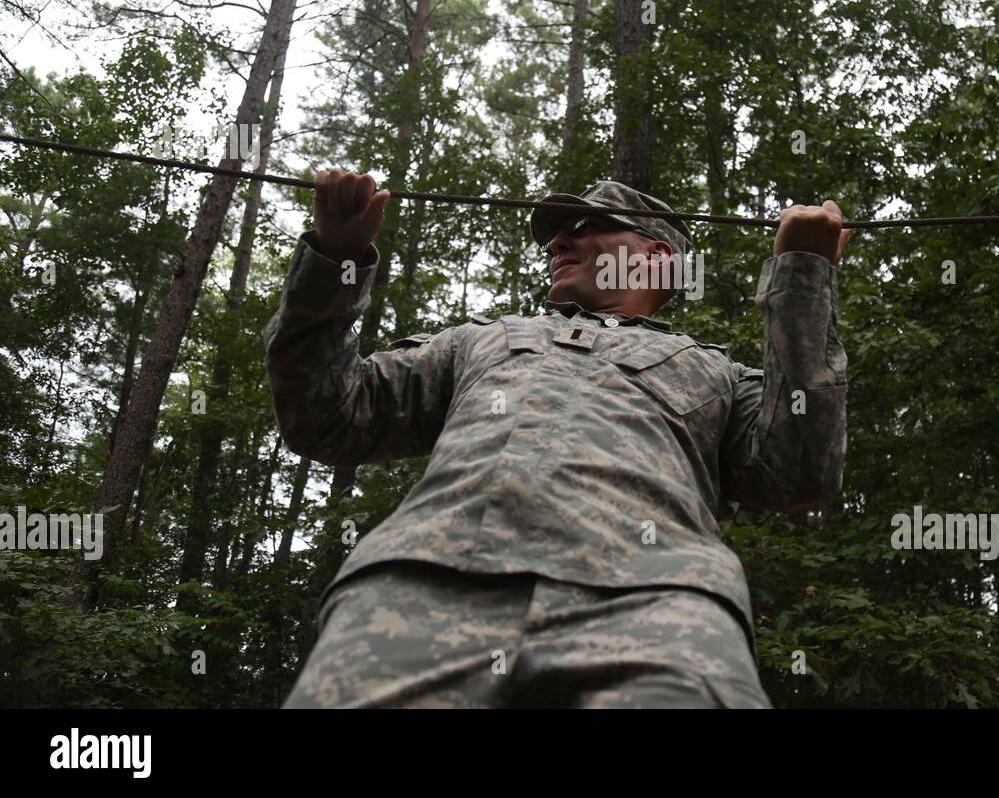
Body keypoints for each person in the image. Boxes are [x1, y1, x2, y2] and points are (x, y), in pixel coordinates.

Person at [265, 169, 850, 707]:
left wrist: (802, 277)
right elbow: (328, 415)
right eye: (558, 233)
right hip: (421, 592)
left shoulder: (718, 374)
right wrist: (336, 259)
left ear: (658, 256)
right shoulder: (480, 341)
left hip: (658, 609)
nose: (558, 242)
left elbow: (797, 472)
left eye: (587, 227)